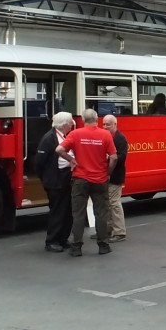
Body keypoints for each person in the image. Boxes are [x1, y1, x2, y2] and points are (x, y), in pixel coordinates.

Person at [56, 108, 117, 257]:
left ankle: (76, 247)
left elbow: (59, 149)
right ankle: (103, 245)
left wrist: (71, 160)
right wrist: (107, 173)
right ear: (97, 119)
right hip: (100, 179)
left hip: (80, 179)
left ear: (83, 120)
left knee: (78, 215)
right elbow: (114, 157)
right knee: (101, 213)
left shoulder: (76, 134)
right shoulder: (105, 134)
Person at [35, 111, 75, 252]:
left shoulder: (65, 135)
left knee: (68, 210)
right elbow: (39, 163)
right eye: (71, 122)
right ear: (64, 124)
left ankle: (63, 239)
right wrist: (46, 179)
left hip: (66, 177)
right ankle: (51, 241)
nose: (72, 124)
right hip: (55, 180)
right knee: (57, 211)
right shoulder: (48, 138)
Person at [102, 114, 129, 243]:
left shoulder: (120, 138)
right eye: (103, 124)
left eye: (108, 124)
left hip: (115, 176)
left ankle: (120, 232)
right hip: (105, 175)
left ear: (115, 125)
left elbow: (122, 157)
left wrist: (109, 157)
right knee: (106, 203)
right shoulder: (104, 136)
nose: (105, 127)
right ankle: (107, 230)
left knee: (114, 203)